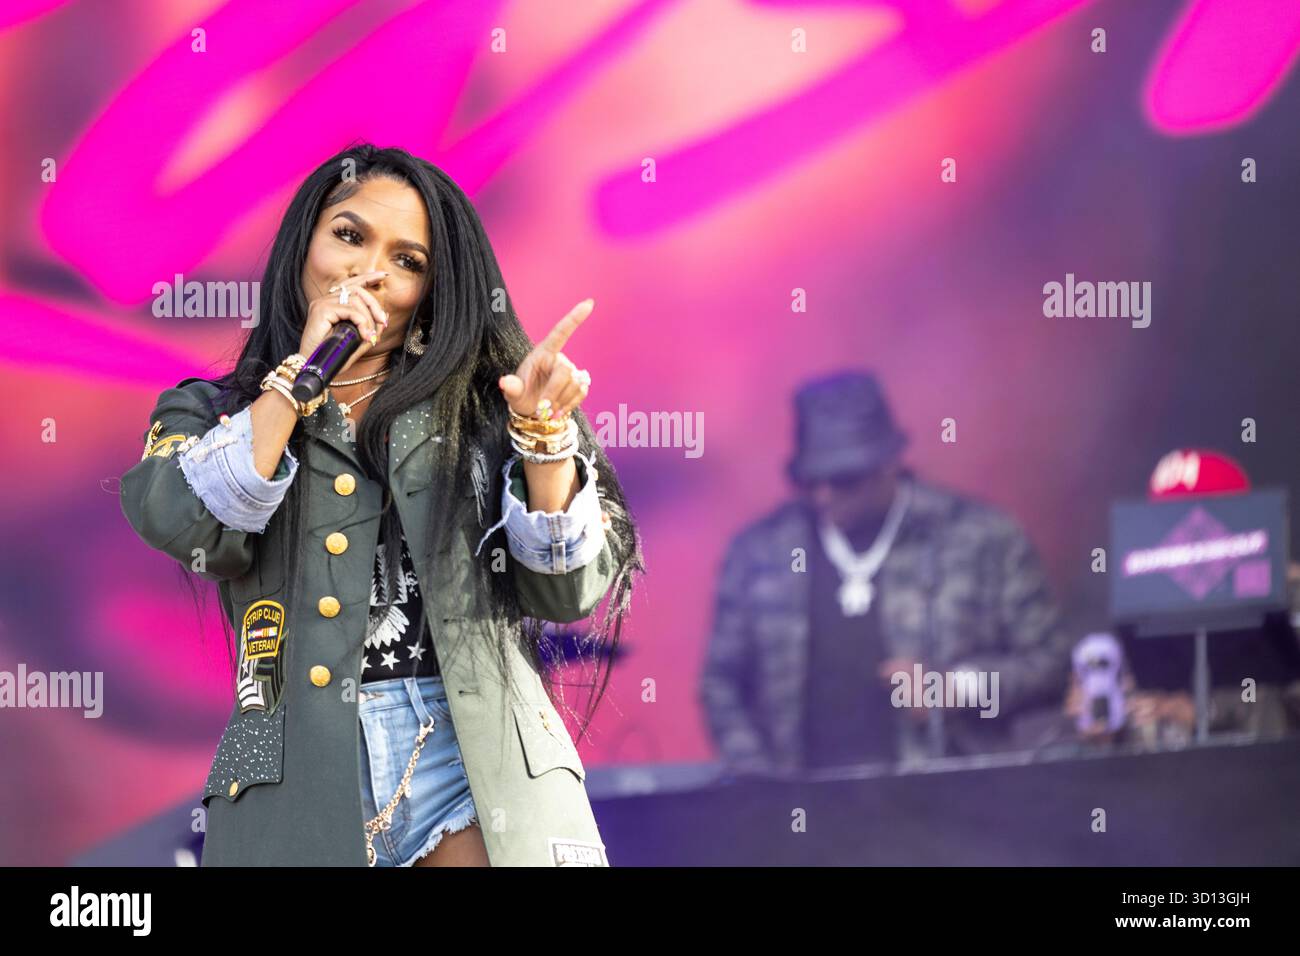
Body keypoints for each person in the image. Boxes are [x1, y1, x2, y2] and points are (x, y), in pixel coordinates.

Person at [120, 144, 643, 867]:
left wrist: (545, 442)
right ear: (303, 243)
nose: (371, 271)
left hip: (472, 759)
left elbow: (566, 590)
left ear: (431, 292)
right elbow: (186, 522)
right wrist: (295, 384)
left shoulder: (491, 406)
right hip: (291, 780)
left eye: (409, 262)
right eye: (349, 235)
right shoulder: (213, 413)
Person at [698, 370, 1071, 775]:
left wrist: (959, 689)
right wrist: (759, 783)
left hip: (952, 816)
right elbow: (720, 683)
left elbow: (1052, 665)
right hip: (801, 820)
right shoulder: (760, 553)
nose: (824, 495)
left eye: (844, 479)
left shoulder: (981, 540)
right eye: (810, 481)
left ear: (890, 463)